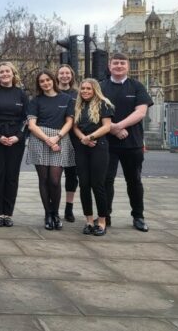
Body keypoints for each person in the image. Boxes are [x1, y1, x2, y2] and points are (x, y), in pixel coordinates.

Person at [101, 52, 153, 232]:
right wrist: (112, 129)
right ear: (109, 66)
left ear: (128, 66)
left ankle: (138, 216)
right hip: (107, 144)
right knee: (106, 181)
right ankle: (105, 216)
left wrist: (117, 126)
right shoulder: (100, 87)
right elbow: (93, 113)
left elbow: (141, 112)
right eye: (115, 63)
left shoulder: (137, 86)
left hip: (133, 143)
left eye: (122, 63)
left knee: (134, 181)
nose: (119, 66)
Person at [26, 69, 75, 230]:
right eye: (42, 81)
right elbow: (32, 125)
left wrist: (57, 137)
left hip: (59, 139)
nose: (45, 83)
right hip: (40, 139)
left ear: (53, 80)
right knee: (44, 180)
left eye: (48, 80)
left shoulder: (67, 99)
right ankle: (48, 214)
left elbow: (69, 122)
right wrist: (47, 139)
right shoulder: (36, 100)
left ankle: (56, 213)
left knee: (55, 180)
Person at [0, 62, 28, 228]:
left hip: (15, 140)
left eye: (7, 71)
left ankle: (8, 214)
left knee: (11, 177)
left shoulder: (21, 94)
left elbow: (26, 118)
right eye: (1, 72)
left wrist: (18, 136)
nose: (4, 74)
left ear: (13, 73)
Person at [72, 79, 114, 236]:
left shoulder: (104, 104)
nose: (85, 91)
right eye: (82, 88)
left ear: (95, 89)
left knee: (98, 185)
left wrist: (90, 137)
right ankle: (89, 220)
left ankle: (102, 221)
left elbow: (107, 126)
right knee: (84, 184)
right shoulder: (78, 105)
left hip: (99, 146)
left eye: (88, 88)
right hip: (82, 147)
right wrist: (83, 138)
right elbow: (75, 127)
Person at [57, 64, 78, 223]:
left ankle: (69, 207)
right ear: (57, 76)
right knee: (53, 177)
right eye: (61, 73)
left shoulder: (78, 93)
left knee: (72, 175)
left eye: (67, 73)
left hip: (73, 138)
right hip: (55, 138)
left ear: (71, 76)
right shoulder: (52, 92)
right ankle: (53, 208)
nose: (64, 76)